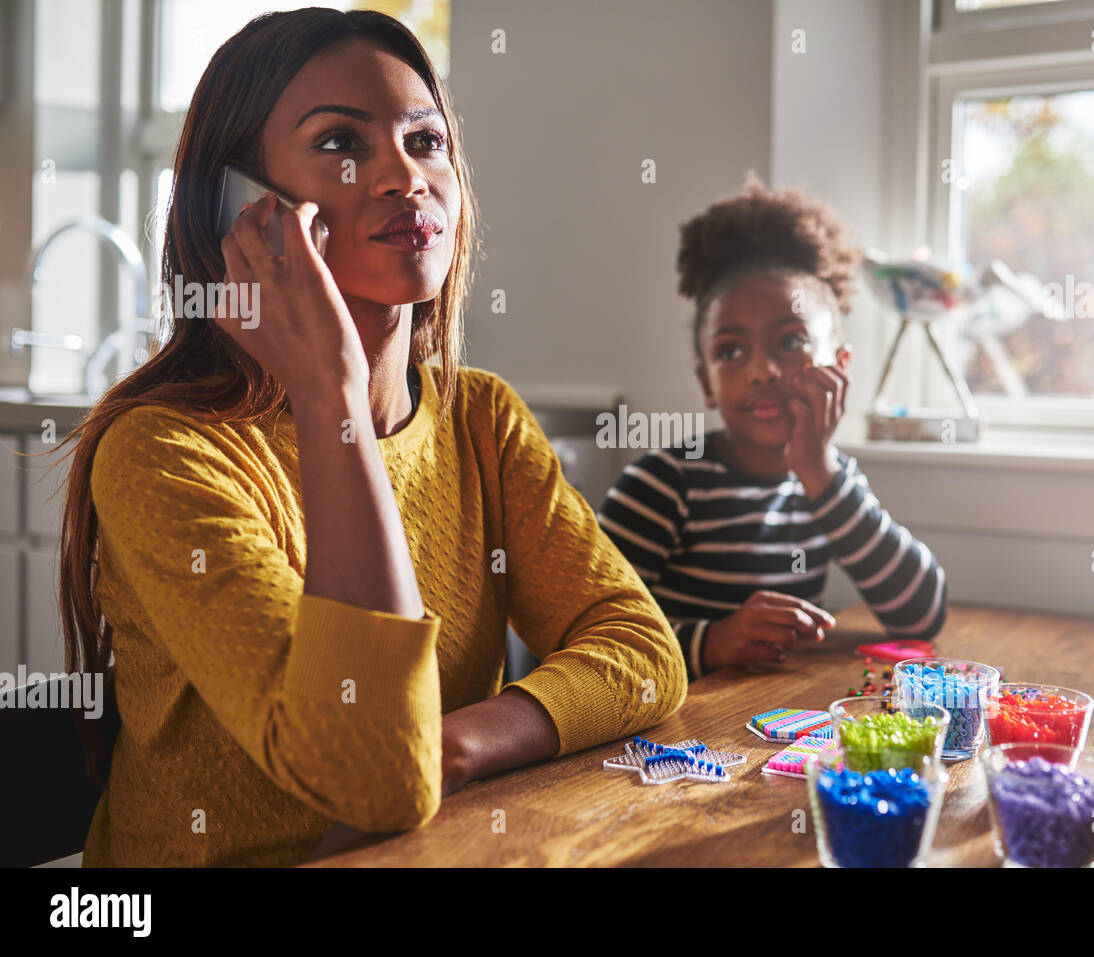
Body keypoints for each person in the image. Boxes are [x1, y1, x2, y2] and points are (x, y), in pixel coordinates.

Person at [49, 8, 686, 866]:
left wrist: (451, 746)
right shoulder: (165, 455)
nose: (402, 175)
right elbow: (378, 777)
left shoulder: (481, 421)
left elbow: (644, 653)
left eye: (426, 141)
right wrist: (331, 392)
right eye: (341, 144)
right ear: (242, 210)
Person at [597, 173, 947, 681]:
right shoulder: (662, 486)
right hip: (669, 741)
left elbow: (922, 617)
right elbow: (589, 640)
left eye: (790, 341)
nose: (762, 371)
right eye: (731, 351)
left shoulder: (830, 483)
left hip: (774, 730)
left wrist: (820, 473)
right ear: (707, 383)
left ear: (841, 365)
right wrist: (714, 643)